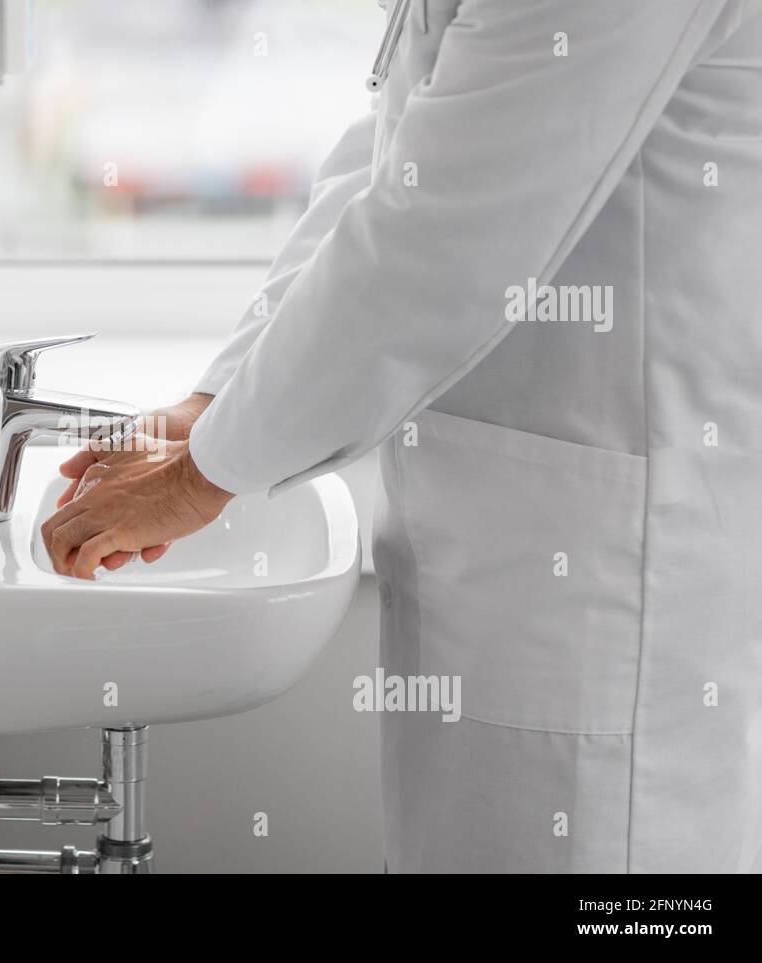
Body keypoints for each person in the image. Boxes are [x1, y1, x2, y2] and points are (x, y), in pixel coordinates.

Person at [41, 0, 762, 872]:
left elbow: (445, 237)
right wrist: (216, 399)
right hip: (516, 534)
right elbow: (400, 157)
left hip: (611, 565)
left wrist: (205, 473)